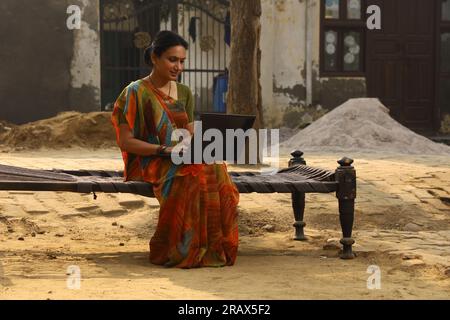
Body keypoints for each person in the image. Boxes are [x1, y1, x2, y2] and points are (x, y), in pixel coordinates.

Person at [111, 31, 240, 268]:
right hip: (149, 159)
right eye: (172, 60)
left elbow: (188, 130)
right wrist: (165, 151)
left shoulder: (184, 93)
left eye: (182, 61)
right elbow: (126, 141)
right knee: (189, 173)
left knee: (215, 168)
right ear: (154, 58)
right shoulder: (135, 92)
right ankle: (181, 247)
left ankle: (212, 246)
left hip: (181, 155)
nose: (178, 67)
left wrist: (211, 141)